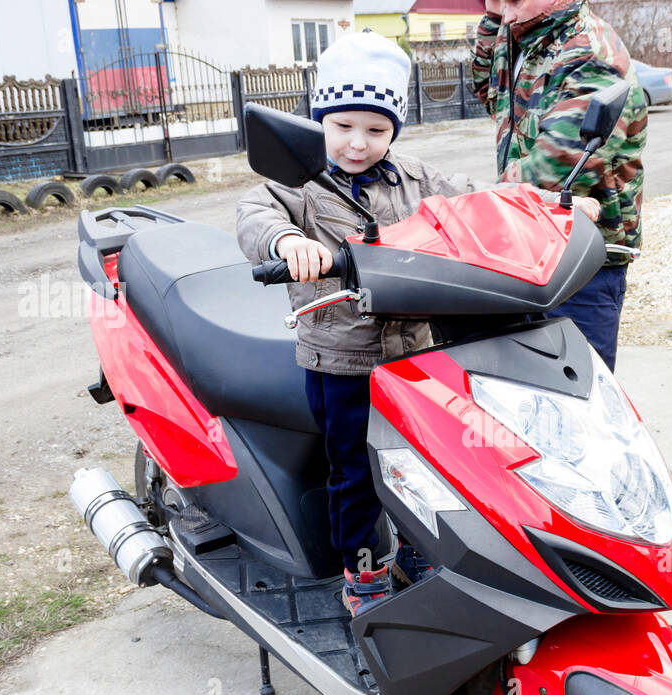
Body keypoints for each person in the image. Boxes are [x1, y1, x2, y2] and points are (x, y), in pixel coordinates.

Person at [237, 31, 597, 616]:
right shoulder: (297, 180)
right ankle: (363, 570)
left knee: (425, 463)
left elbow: (480, 201)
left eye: (376, 129)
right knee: (356, 472)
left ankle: (417, 548)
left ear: (394, 129)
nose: (358, 143)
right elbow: (255, 213)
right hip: (343, 360)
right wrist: (286, 240)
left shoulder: (413, 176)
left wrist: (547, 206)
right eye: (342, 126)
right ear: (319, 121)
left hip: (416, 355)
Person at [470, 0, 647, 370]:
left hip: (581, 261)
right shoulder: (519, 33)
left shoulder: (590, 52)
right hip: (529, 248)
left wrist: (477, 206)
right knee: (525, 383)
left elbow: (558, 165)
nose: (506, 13)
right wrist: (491, 17)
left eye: (513, 1)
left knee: (577, 384)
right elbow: (488, 90)